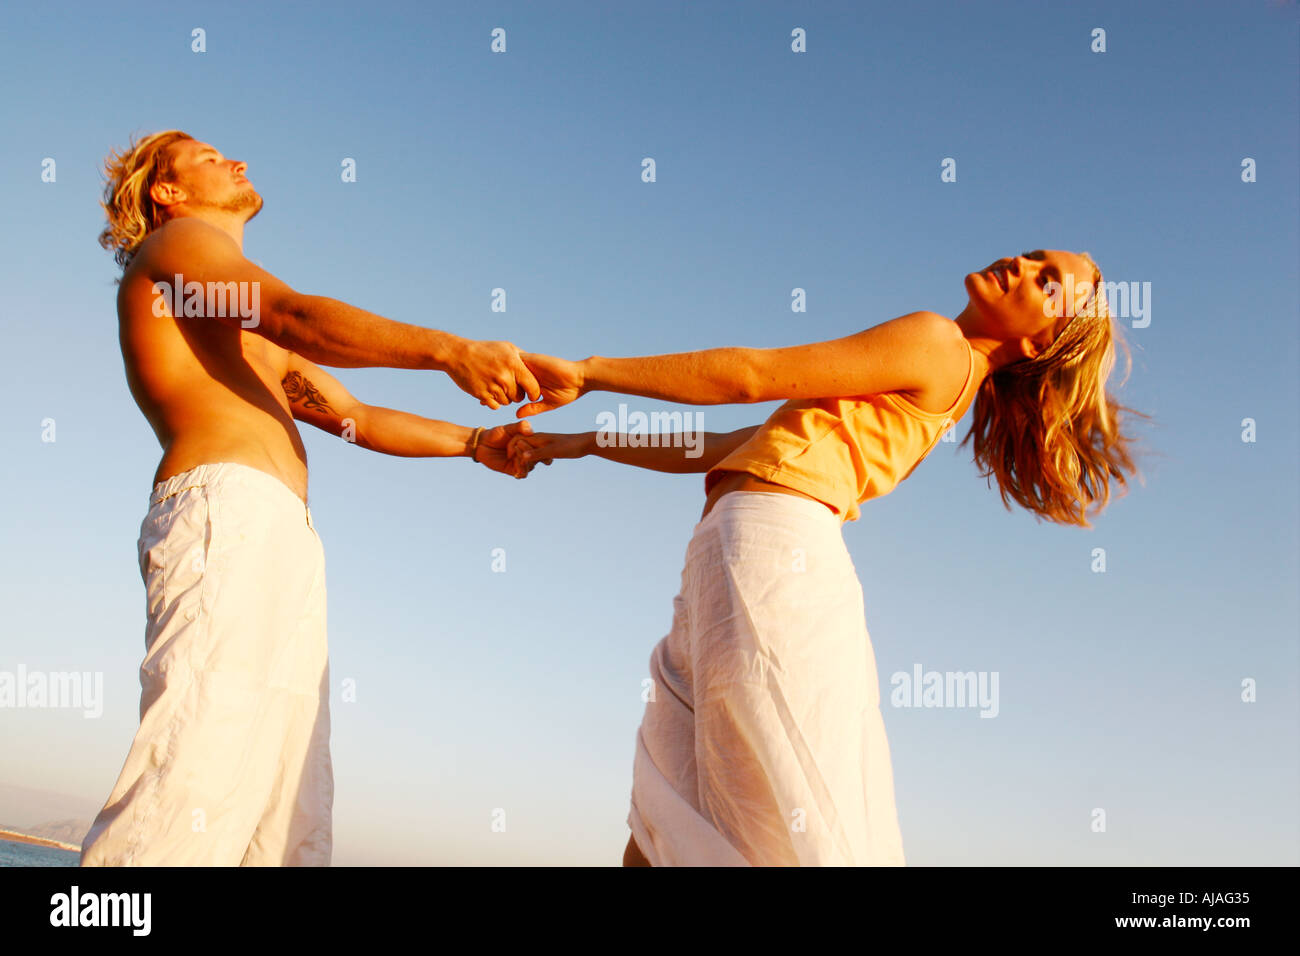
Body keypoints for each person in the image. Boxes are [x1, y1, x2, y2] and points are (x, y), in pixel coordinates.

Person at [509, 251, 1148, 865]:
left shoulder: (936, 342)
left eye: (1046, 281)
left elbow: (750, 376)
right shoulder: (941, 377)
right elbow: (724, 443)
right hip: (732, 559)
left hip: (771, 561)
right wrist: (582, 441)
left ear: (1040, 343)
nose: (1022, 265)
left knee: (763, 826)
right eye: (1034, 255)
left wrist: (589, 373)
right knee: (665, 821)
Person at [81, 130, 543, 866]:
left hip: (284, 533)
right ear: (166, 193)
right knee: (195, 767)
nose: (234, 159)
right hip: (222, 515)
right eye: (206, 157)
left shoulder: (242, 326)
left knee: (289, 801)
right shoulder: (173, 255)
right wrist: (451, 349)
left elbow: (354, 415)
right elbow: (297, 317)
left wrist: (473, 442)